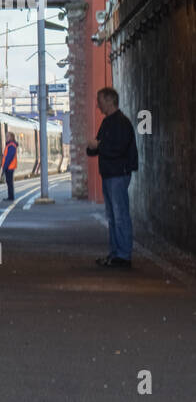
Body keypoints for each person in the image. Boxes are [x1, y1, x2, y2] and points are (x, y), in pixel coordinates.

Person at [85, 86, 138, 268]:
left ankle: (123, 255)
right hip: (109, 174)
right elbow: (98, 148)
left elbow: (118, 149)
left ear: (109, 101)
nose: (98, 106)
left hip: (118, 174)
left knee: (119, 214)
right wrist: (93, 147)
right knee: (113, 215)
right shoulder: (108, 122)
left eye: (100, 102)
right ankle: (116, 253)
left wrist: (98, 146)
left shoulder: (121, 123)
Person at [1, 131, 18, 200]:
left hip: (9, 167)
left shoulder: (11, 145)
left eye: (7, 136)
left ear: (11, 137)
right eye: (6, 136)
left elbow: (9, 157)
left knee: (9, 182)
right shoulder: (9, 145)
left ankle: (11, 197)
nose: (6, 138)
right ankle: (10, 196)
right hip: (9, 167)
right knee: (9, 182)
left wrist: (5, 166)